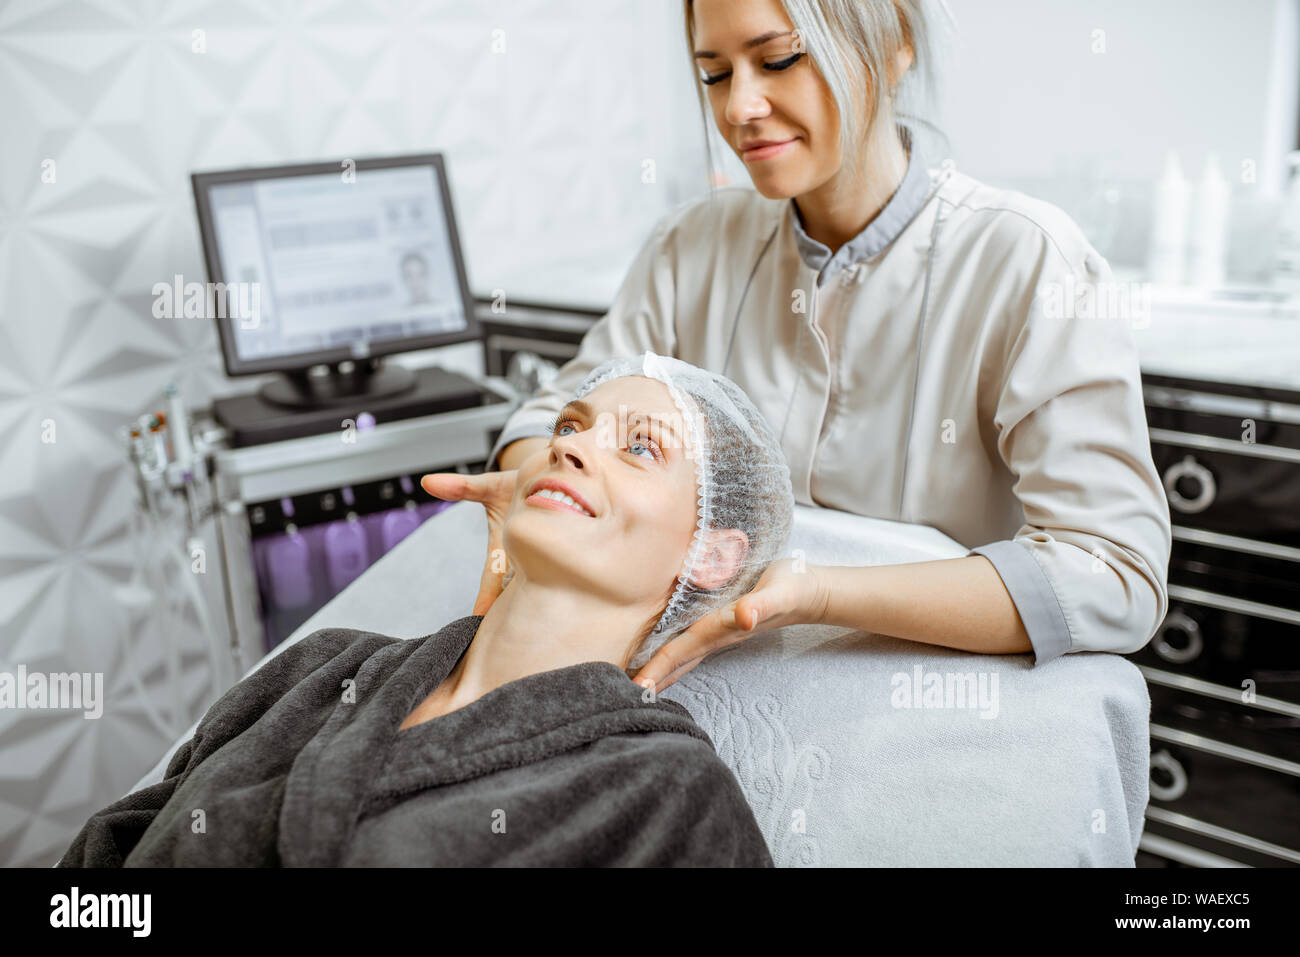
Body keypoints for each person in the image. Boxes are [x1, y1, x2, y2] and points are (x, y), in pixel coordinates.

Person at [435, 0, 1172, 694]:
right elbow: (546, 419)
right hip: (703, 701)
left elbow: (1112, 575)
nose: (738, 109)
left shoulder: (1027, 261)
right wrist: (548, 481)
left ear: (895, 44)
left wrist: (814, 591)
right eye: (715, 74)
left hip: (923, 709)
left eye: (781, 59)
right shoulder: (692, 247)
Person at [57, 353, 791, 868]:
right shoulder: (326, 664)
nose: (569, 450)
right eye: (569, 426)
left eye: (639, 447)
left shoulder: (668, 792)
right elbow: (115, 842)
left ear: (713, 556)